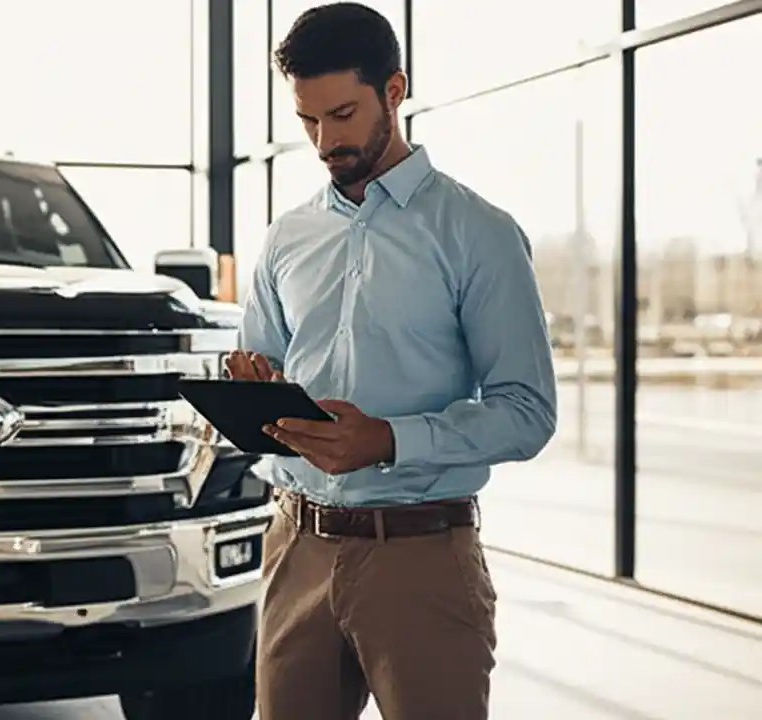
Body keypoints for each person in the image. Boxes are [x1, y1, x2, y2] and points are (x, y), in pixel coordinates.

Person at [225, 3, 558, 719]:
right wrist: (253, 387)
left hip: (423, 557)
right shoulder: (286, 239)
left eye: (342, 114)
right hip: (296, 547)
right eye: (308, 120)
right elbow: (267, 369)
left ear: (396, 91)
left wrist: (387, 439)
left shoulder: (479, 235)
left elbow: (528, 413)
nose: (324, 141)